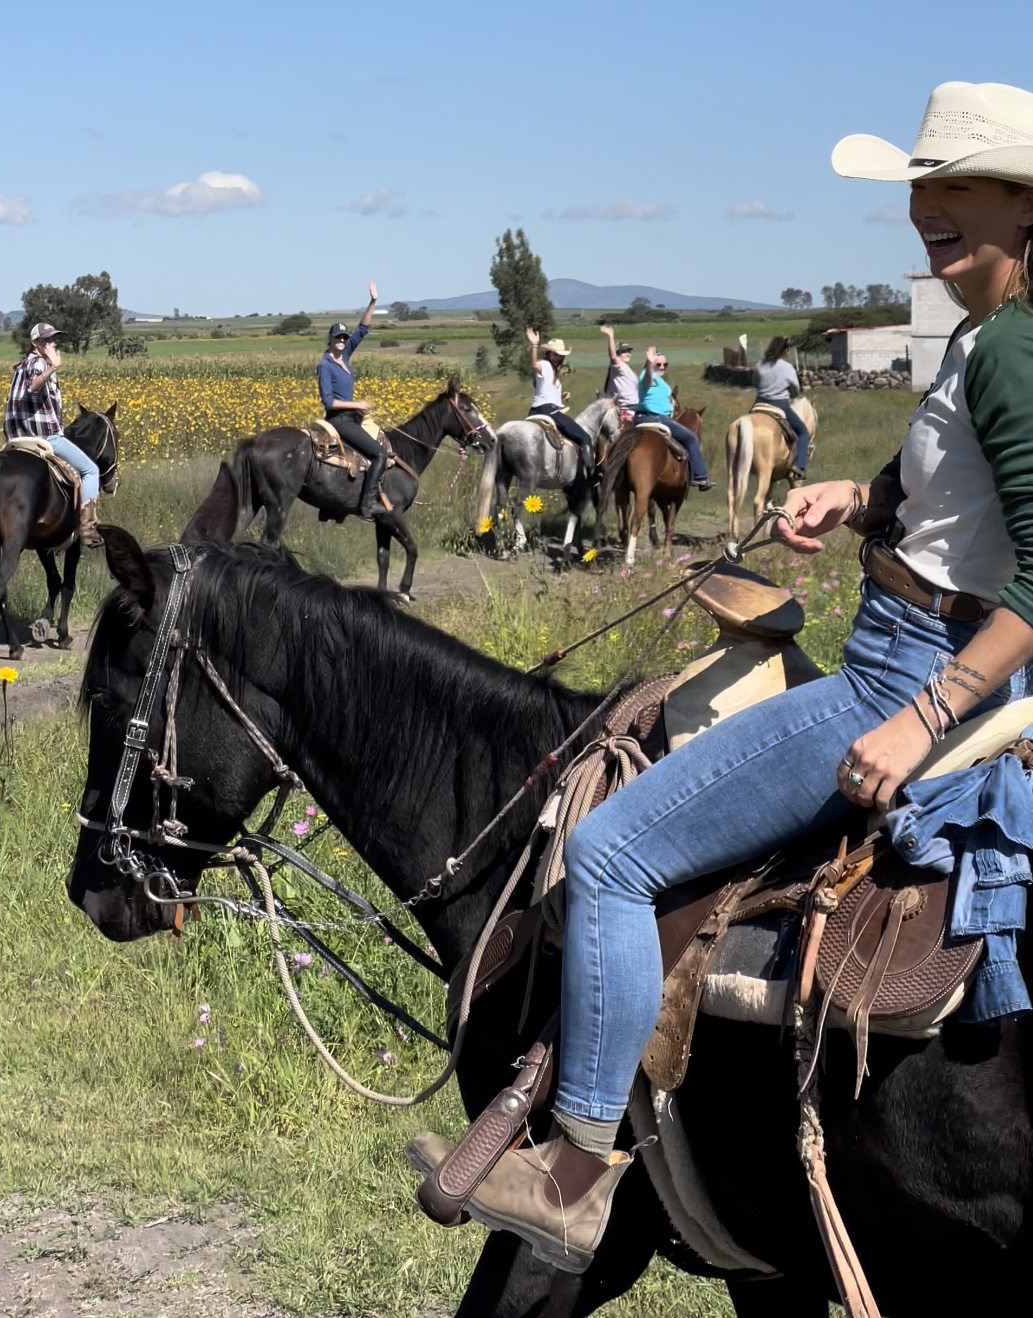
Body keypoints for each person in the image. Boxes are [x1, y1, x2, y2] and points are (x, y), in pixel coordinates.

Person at [414, 79, 1033, 1272]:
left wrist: (918, 721)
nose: (924, 209)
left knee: (607, 853)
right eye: (918, 188)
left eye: (954, 188)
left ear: (1022, 204)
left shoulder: (1006, 346)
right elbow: (966, 513)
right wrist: (854, 497)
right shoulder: (975, 333)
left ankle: (579, 1172)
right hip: (907, 637)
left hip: (899, 675)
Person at [3, 322, 103, 547]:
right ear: (35, 343)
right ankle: (88, 528)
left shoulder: (21, 365)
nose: (52, 344)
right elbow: (34, 386)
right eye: (46, 340)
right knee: (91, 470)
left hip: (15, 437)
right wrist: (53, 367)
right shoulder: (39, 363)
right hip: (44, 436)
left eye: (53, 339)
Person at [316, 281, 383, 518]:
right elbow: (329, 402)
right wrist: (358, 405)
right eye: (338, 338)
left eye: (344, 337)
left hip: (351, 418)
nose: (342, 341)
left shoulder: (345, 355)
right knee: (380, 455)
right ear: (330, 340)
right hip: (339, 420)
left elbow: (362, 330)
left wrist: (372, 302)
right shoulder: (325, 365)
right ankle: (367, 505)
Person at [634, 346, 713, 490]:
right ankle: (700, 476)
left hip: (644, 417)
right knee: (691, 439)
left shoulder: (658, 379)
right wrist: (651, 365)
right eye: (659, 364)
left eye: (665, 364)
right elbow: (647, 380)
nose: (662, 367)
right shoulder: (647, 374)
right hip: (655, 418)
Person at [526, 328, 597, 476]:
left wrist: (561, 396)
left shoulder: (553, 371)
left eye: (559, 355)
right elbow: (534, 364)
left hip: (537, 409)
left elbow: (544, 391)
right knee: (585, 438)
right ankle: (590, 475)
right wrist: (534, 345)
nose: (557, 357)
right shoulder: (545, 365)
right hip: (548, 411)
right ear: (549, 354)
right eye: (555, 354)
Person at [754, 335, 811, 478]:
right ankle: (799, 466)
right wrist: (791, 393)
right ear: (784, 350)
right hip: (779, 405)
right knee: (803, 433)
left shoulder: (760, 365)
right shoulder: (787, 367)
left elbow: (755, 382)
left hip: (758, 403)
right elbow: (795, 389)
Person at [599, 325, 639, 420]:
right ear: (617, 354)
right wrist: (611, 336)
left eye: (629, 351)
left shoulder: (626, 368)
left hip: (634, 407)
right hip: (624, 409)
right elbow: (612, 357)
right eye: (623, 351)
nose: (628, 353)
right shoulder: (617, 366)